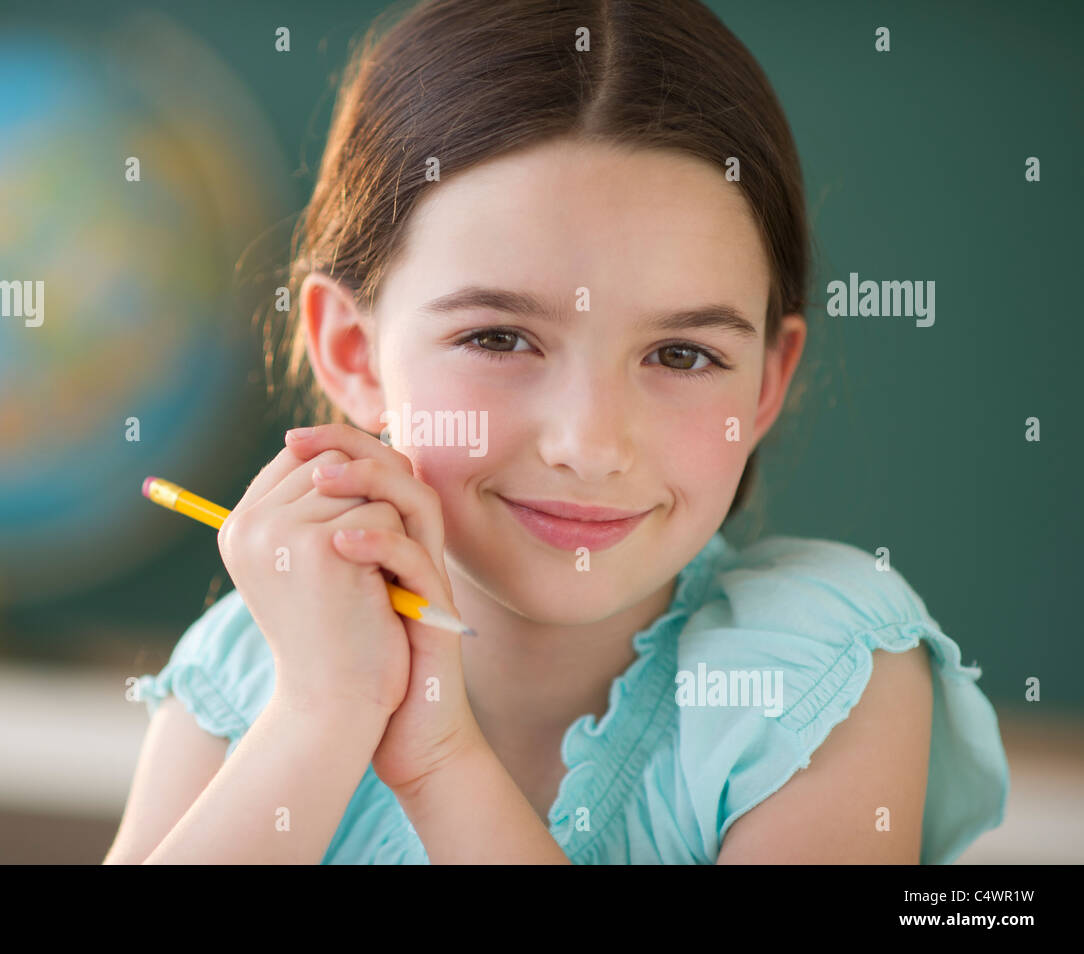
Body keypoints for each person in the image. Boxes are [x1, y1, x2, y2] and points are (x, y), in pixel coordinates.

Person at [105, 0, 1008, 864]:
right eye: (498, 338)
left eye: (683, 355)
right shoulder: (246, 674)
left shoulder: (825, 675)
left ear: (767, 380)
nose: (590, 443)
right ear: (354, 351)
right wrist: (318, 716)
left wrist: (442, 767)